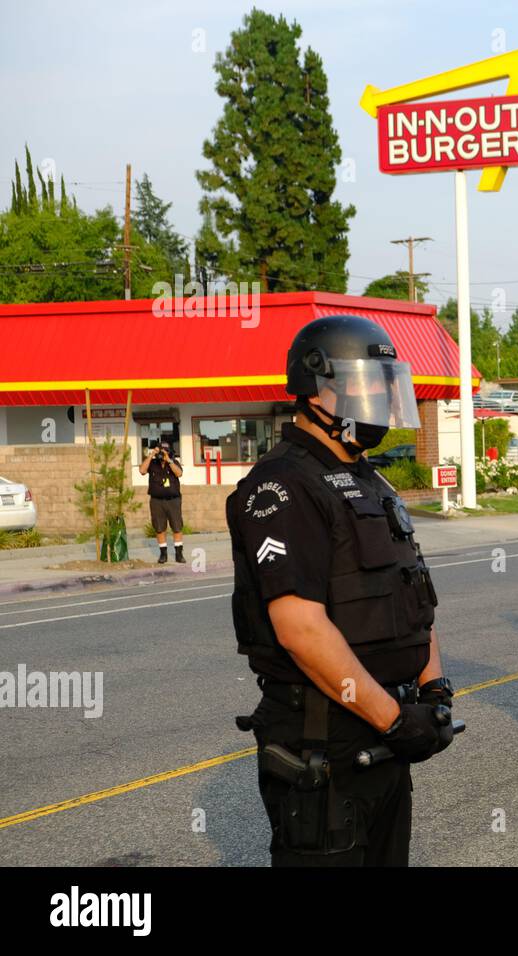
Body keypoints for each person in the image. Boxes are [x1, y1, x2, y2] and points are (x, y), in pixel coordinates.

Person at [227, 314, 454, 866]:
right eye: (367, 382)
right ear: (318, 387)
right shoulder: (282, 485)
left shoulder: (368, 478)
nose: (379, 396)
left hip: (383, 735)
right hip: (324, 739)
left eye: (385, 383)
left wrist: (434, 693)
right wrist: (395, 720)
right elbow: (301, 629)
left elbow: (412, 599)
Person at [140, 439, 184, 563]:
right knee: (159, 528)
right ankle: (163, 554)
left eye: (165, 451)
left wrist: (168, 460)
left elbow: (179, 473)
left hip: (173, 500)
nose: (162, 454)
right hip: (156, 501)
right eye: (161, 451)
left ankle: (179, 554)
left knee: (177, 527)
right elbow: (142, 471)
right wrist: (152, 454)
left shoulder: (173, 462)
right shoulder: (153, 463)